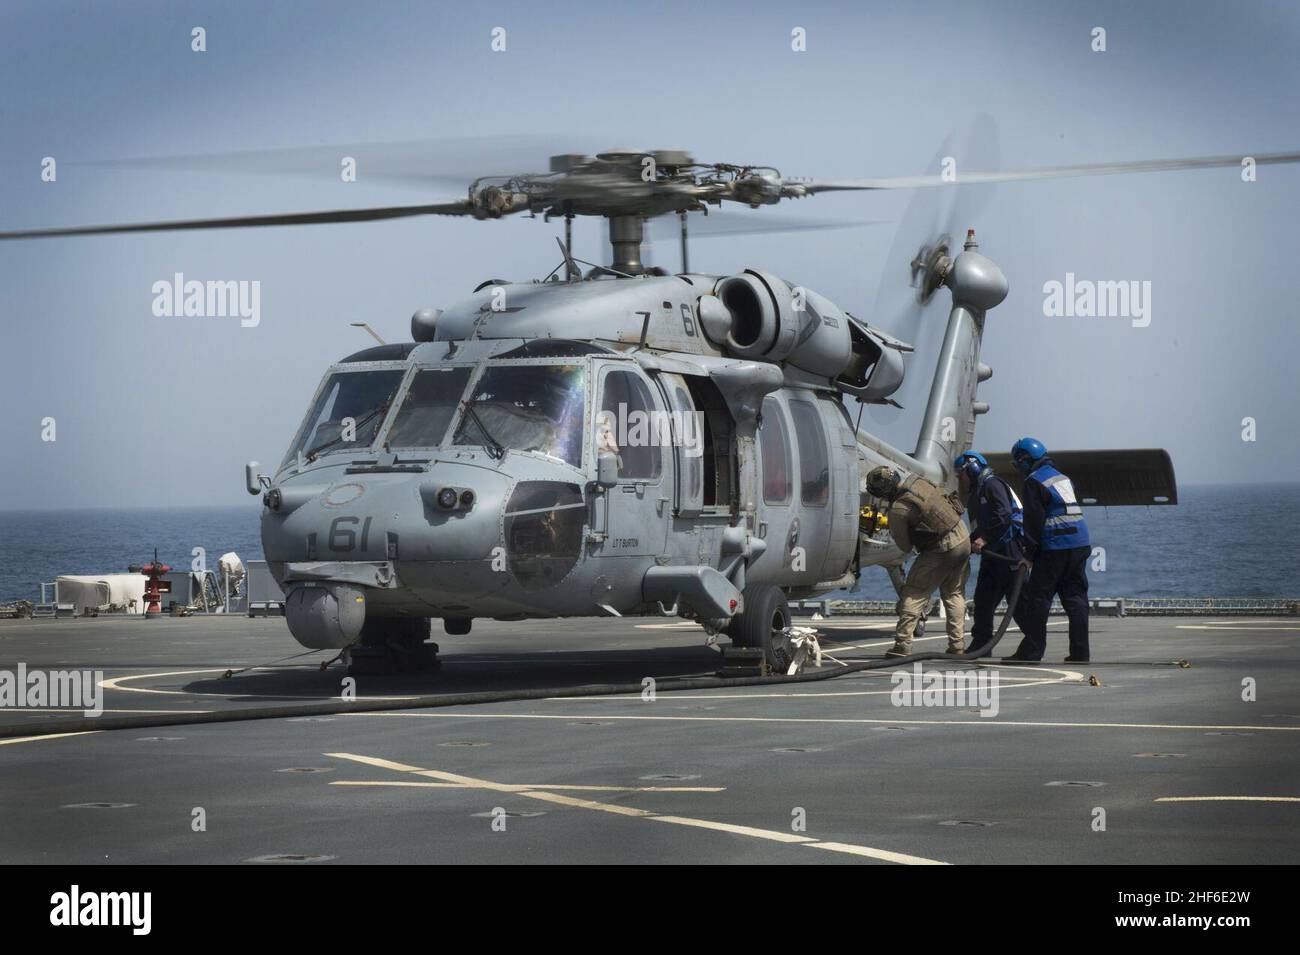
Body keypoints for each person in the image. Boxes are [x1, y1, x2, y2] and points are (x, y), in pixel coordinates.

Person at [866, 465, 971, 658]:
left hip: (941, 547)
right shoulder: (920, 481)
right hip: (963, 538)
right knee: (954, 593)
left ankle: (902, 645)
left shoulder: (898, 509)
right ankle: (957, 645)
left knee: (914, 593)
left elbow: (905, 546)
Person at [1004, 438, 1092, 663]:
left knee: (1038, 600)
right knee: (1076, 600)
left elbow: (1033, 521)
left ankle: (1031, 653)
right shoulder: (1062, 477)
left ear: (1025, 461)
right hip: (1080, 543)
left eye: (1018, 464)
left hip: (1055, 547)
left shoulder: (1034, 481)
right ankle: (1080, 653)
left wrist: (1028, 556)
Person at [955, 451, 1028, 655]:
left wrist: (984, 538)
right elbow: (978, 526)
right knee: (984, 601)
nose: (960, 479)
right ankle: (981, 645)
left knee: (1020, 603)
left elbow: (1003, 515)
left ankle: (1033, 644)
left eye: (961, 473)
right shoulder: (976, 495)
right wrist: (970, 543)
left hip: (1009, 552)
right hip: (992, 555)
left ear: (972, 468)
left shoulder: (992, 484)